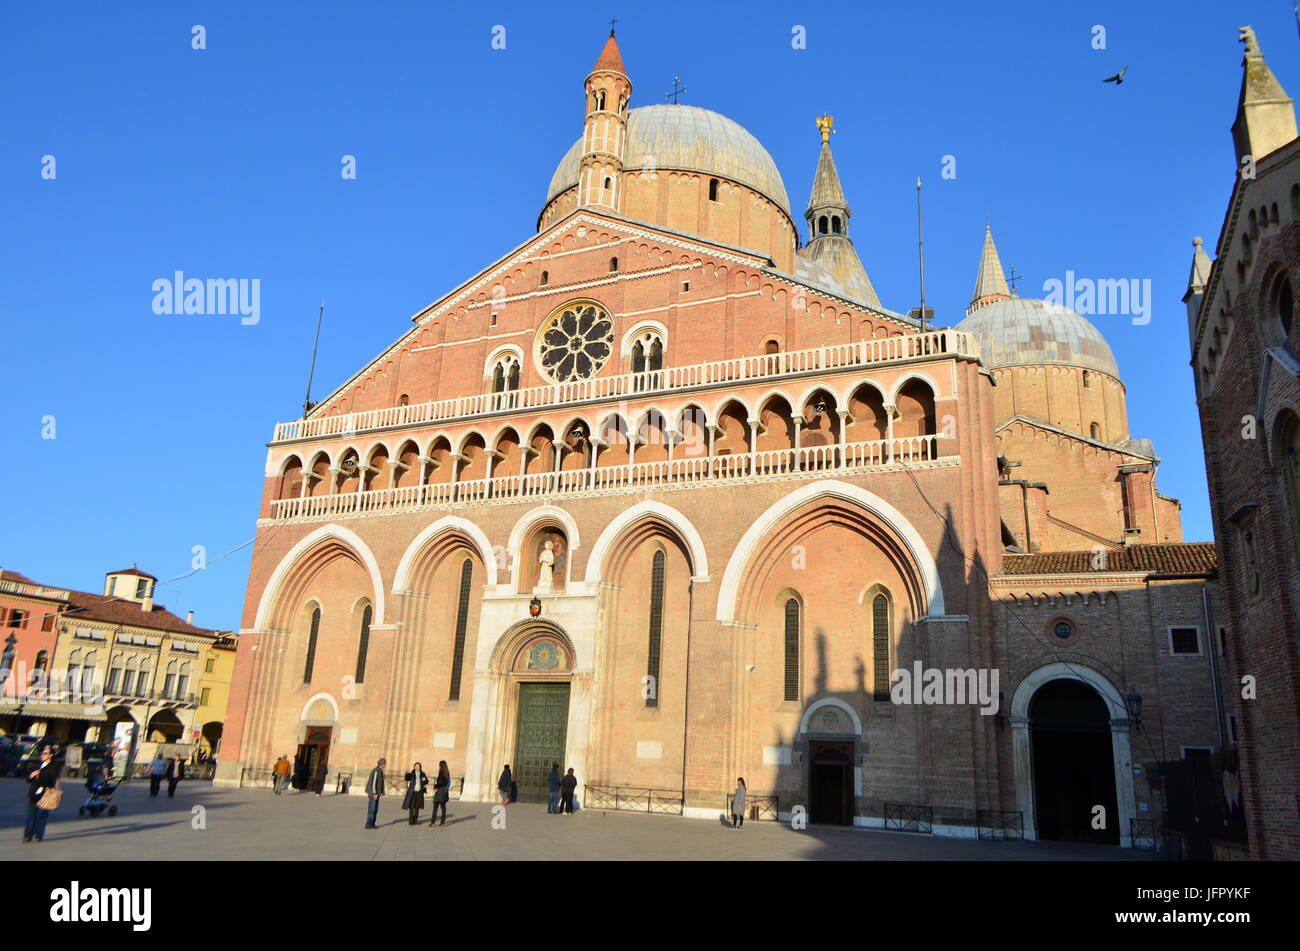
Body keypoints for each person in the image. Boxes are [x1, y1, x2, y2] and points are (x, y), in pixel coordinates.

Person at [24, 746, 61, 843]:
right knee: (30, 815)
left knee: (42, 816)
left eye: (45, 753)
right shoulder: (37, 765)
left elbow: (55, 780)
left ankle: (39, 835)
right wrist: (32, 775)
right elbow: (28, 780)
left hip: (45, 794)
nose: (42, 755)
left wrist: (55, 792)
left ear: (51, 755)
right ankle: (28, 835)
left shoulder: (53, 767)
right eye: (42, 753)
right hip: (33, 793)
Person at [364, 757, 386, 829]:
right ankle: (368, 824)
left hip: (377, 793)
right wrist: (374, 793)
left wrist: (382, 792)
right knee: (372, 809)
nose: (385, 765)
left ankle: (372, 823)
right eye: (384, 764)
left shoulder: (380, 771)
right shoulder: (376, 771)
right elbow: (373, 783)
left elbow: (380, 783)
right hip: (373, 794)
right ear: (382, 764)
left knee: (375, 809)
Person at [430, 761, 451, 827]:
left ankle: (433, 823)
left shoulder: (441, 773)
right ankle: (442, 823)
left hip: (440, 792)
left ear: (440, 766)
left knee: (435, 808)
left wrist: (435, 786)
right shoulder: (447, 773)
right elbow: (449, 783)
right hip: (445, 792)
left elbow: (440, 782)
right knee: (443, 808)